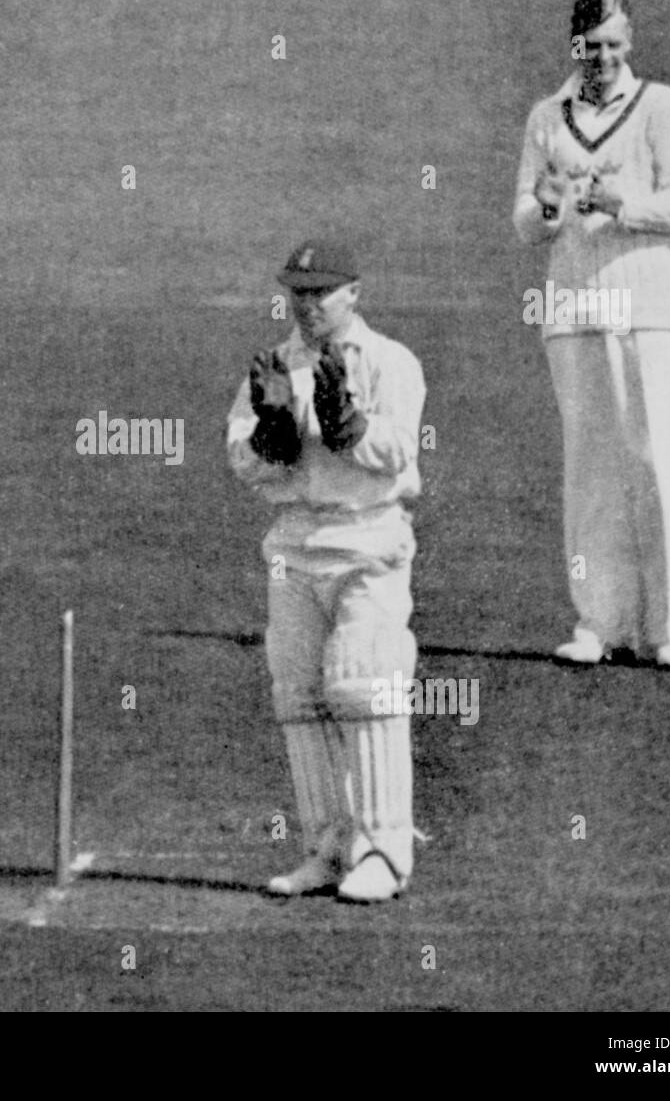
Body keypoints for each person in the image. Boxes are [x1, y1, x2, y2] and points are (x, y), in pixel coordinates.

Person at [227, 238, 426, 902]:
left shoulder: (391, 362)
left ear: (353, 294)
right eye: (298, 293)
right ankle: (327, 851)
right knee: (301, 697)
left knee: (366, 691)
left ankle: (384, 854)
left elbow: (397, 450)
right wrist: (270, 436)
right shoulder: (274, 364)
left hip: (368, 541)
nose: (306, 306)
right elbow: (243, 463)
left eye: (321, 293)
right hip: (293, 547)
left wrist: (350, 425)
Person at [513, 0, 670, 669]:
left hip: (648, 311)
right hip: (573, 312)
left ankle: (668, 630)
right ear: (574, 46)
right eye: (591, 45)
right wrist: (550, 203)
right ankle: (599, 622)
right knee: (591, 469)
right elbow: (525, 221)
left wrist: (624, 205)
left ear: (630, 42)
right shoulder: (546, 117)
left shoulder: (661, 106)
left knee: (656, 463)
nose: (602, 56)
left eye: (614, 44)